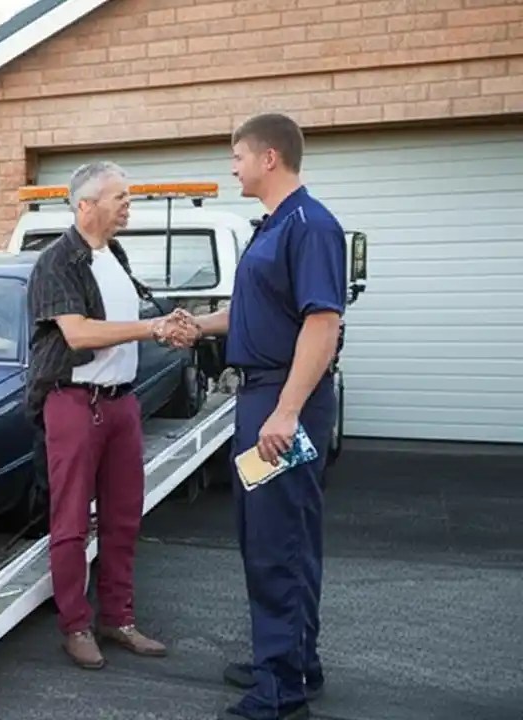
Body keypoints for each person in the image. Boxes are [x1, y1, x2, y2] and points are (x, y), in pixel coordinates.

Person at [167, 113, 347, 720]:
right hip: (259, 401)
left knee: (281, 541)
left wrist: (288, 411)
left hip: (281, 403)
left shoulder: (310, 226)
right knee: (265, 536)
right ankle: (292, 659)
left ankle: (281, 686)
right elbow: (255, 314)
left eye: (238, 157)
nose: (233, 167)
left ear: (270, 158)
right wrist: (200, 325)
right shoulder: (271, 227)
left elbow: (323, 325)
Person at [25, 161, 186, 669]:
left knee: (123, 519)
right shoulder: (56, 262)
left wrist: (172, 323)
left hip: (120, 404)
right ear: (85, 205)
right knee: (71, 522)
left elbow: (127, 319)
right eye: (119, 197)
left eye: (128, 197)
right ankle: (75, 625)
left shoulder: (114, 254)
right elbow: (79, 334)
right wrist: (152, 329)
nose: (127, 205)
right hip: (74, 403)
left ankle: (117, 618)